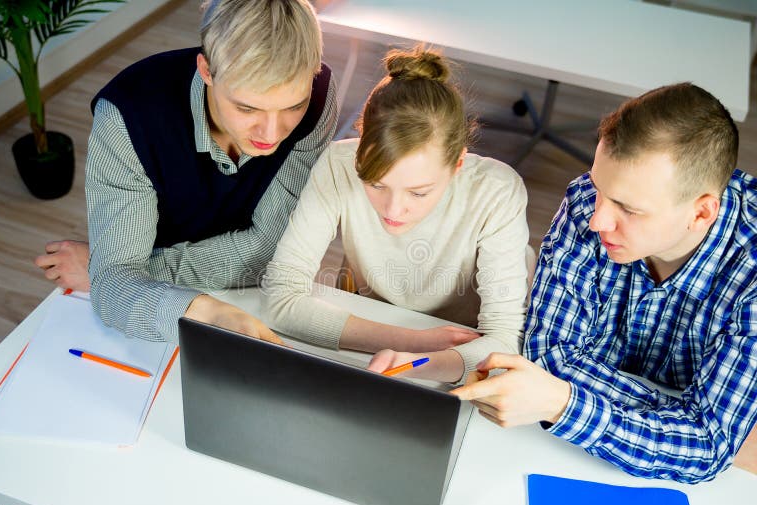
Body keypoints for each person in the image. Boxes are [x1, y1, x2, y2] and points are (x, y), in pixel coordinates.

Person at [452, 82, 757, 483]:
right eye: (600, 189)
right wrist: (678, 420)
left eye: (628, 209)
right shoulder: (586, 203)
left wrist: (563, 402)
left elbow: (706, 445)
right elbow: (551, 355)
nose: (597, 220)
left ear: (701, 214)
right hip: (563, 454)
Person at [34, 0, 338, 344]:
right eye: (247, 107)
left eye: (292, 106)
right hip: (166, 315)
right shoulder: (129, 117)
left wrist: (114, 273)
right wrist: (205, 310)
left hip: (197, 294)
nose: (271, 133)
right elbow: (115, 290)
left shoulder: (319, 96)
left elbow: (271, 248)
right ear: (206, 70)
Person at [261, 47, 530, 384]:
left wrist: (416, 364)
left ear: (458, 164)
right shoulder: (337, 164)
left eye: (418, 192)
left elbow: (503, 341)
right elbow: (281, 298)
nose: (392, 210)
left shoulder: (496, 191)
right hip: (380, 328)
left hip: (459, 355)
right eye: (375, 184)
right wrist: (411, 342)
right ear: (360, 147)